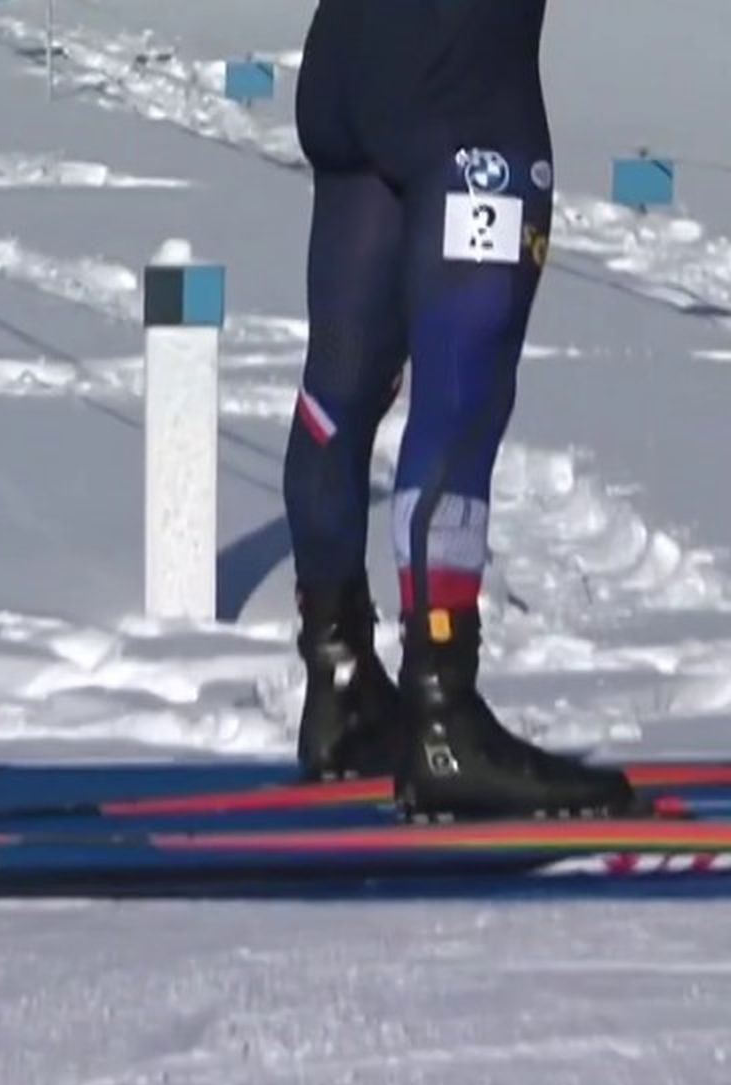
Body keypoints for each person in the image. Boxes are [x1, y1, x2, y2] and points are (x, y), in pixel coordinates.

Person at [282, 0, 633, 819]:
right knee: (461, 395)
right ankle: (444, 715)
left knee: (340, 388)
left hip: (350, 58)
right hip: (459, 83)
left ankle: (341, 689)